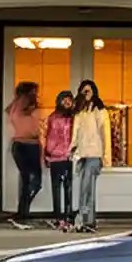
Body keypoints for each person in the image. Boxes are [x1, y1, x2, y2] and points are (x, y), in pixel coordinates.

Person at [70, 79, 112, 233]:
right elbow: (76, 132)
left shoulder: (99, 111)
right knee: (82, 188)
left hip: (94, 154)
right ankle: (84, 219)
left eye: (88, 90)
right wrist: (72, 149)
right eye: (83, 91)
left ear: (94, 92)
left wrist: (106, 157)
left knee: (88, 188)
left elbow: (105, 134)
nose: (86, 93)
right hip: (82, 154)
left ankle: (88, 220)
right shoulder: (79, 111)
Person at [6, 81, 43, 226]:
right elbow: (32, 129)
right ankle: (22, 212)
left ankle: (22, 212)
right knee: (34, 181)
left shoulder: (16, 107)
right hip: (28, 145)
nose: (36, 95)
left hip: (22, 145)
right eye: (34, 92)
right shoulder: (25, 107)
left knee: (27, 180)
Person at [41, 90, 76, 231]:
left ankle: (68, 215)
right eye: (64, 100)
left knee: (68, 187)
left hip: (69, 157)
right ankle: (58, 216)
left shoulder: (74, 118)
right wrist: (47, 154)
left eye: (69, 100)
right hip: (55, 157)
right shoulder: (53, 118)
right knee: (56, 188)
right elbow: (47, 136)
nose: (67, 103)